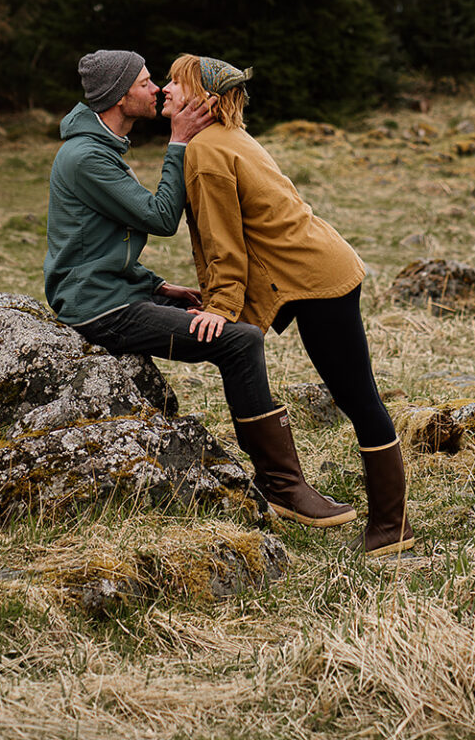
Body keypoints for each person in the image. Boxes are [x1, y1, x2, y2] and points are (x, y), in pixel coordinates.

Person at [44, 48, 354, 528]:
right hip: (98, 309)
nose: (157, 89)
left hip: (116, 293)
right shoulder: (85, 156)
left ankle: (283, 482)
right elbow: (159, 218)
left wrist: (157, 285)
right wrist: (179, 142)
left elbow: (98, 247)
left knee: (231, 333)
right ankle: (282, 487)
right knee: (239, 341)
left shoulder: (101, 148)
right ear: (120, 95)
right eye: (147, 81)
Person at [162, 53, 415, 558]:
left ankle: (392, 527)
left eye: (176, 81)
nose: (166, 88)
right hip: (316, 268)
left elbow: (224, 243)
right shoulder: (228, 138)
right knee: (357, 394)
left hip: (316, 277)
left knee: (358, 398)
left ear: (205, 100)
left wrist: (221, 307)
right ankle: (302, 495)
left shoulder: (207, 152)